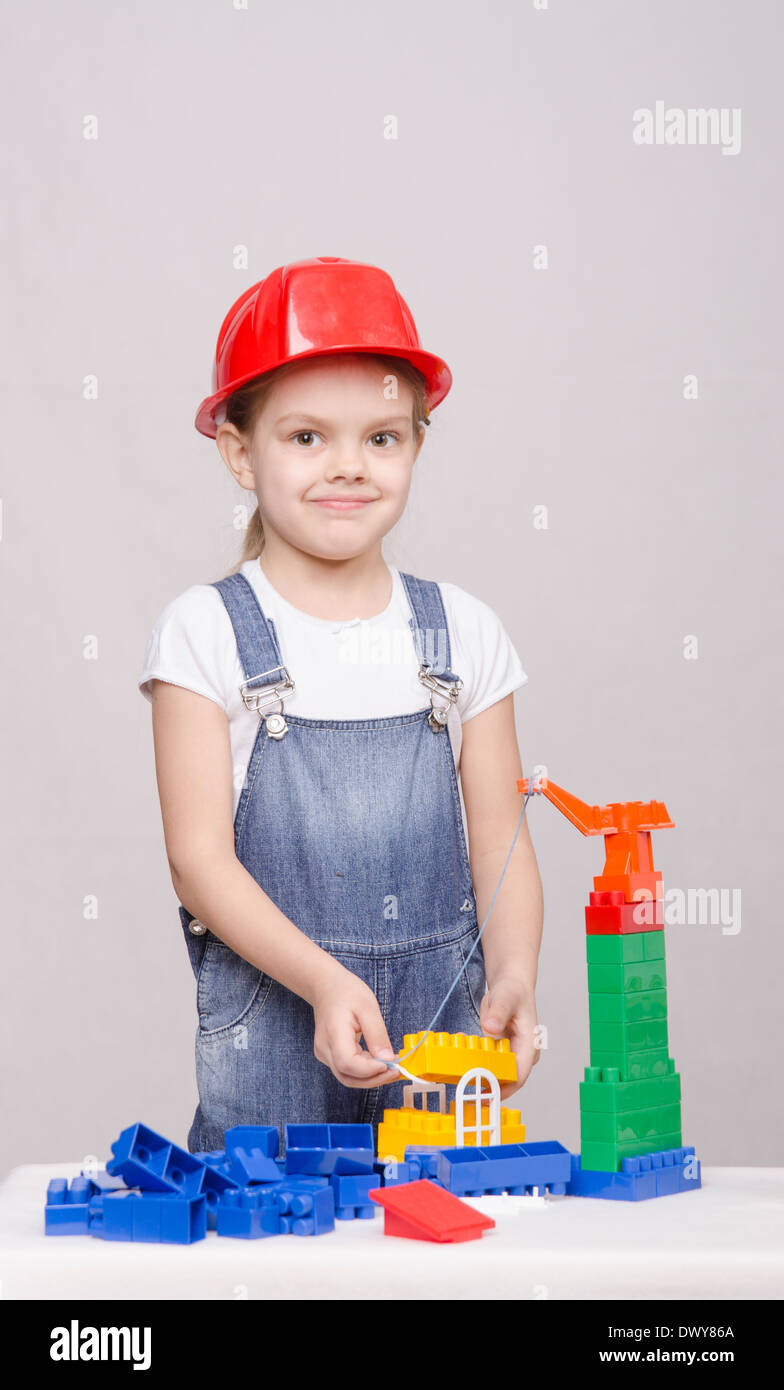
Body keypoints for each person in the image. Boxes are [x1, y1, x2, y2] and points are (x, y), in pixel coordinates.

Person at [138, 256, 544, 1154]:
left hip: (441, 1069)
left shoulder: (464, 633)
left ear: (417, 445)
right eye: (307, 437)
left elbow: (501, 844)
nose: (348, 468)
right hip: (275, 1078)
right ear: (241, 451)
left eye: (382, 438)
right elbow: (197, 862)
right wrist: (323, 983)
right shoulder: (204, 633)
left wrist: (513, 972)